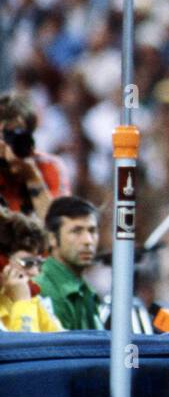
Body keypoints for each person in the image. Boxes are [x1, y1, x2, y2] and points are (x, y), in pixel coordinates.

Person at [37, 197, 104, 330]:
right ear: (52, 238)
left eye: (92, 231)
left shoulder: (85, 289)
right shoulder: (42, 288)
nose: (88, 241)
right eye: (76, 231)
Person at [0, 93, 70, 221]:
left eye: (13, 134)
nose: (6, 144)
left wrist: (33, 177)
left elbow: (57, 229)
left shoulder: (49, 166)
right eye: (2, 136)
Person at [0, 206, 63, 333]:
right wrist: (22, 302)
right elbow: (21, 351)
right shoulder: (24, 299)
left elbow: (62, 344)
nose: (35, 272)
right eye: (28, 263)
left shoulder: (34, 302)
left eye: (38, 263)